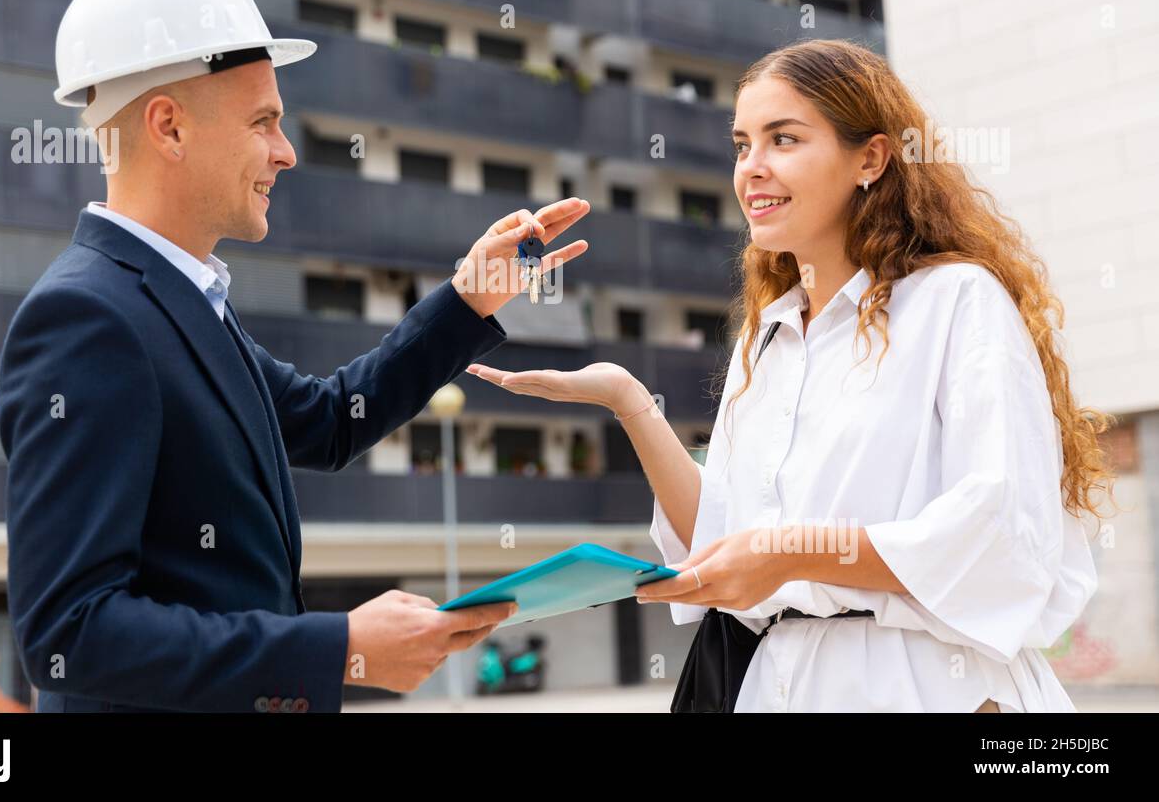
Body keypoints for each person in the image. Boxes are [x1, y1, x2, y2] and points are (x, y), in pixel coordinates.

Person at [0, 0, 591, 712]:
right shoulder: (87, 319)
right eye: (264, 122)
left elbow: (328, 420)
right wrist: (338, 649)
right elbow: (67, 636)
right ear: (168, 128)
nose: (286, 152)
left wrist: (470, 298)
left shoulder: (180, 302)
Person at [468, 38, 1116, 712]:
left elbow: (1002, 528)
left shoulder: (956, 300)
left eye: (783, 139)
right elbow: (716, 545)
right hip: (774, 684)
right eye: (742, 145)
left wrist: (791, 554)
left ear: (870, 158)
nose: (752, 168)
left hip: (922, 684)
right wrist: (632, 404)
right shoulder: (766, 336)